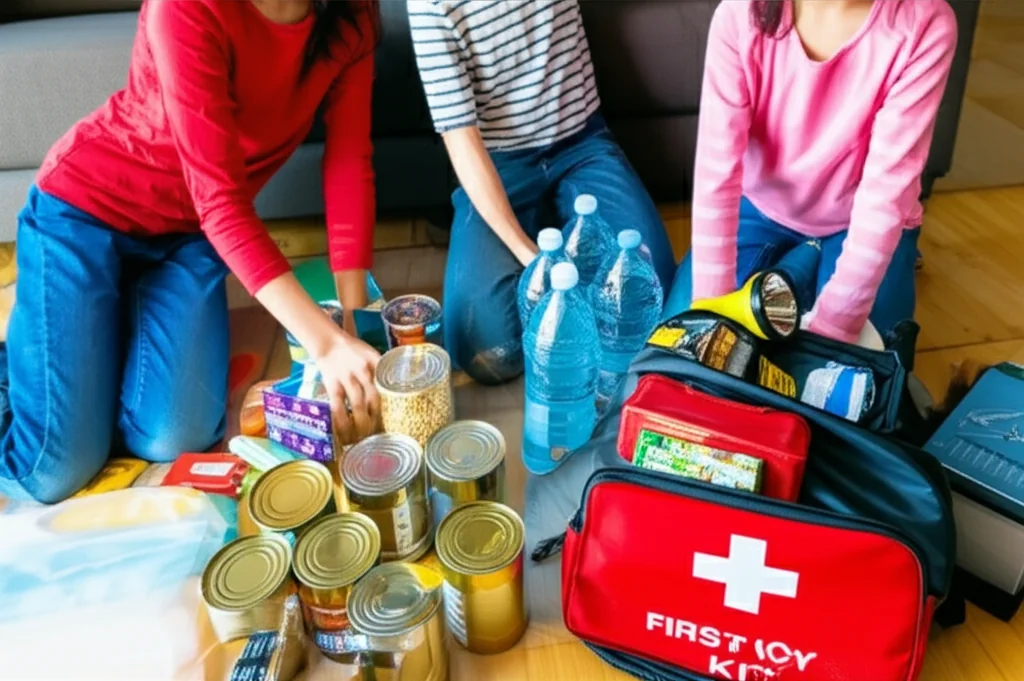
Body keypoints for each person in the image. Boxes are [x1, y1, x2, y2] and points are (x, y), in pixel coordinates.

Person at [0, 0, 383, 503]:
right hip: (85, 215)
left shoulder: (355, 11)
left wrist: (350, 322)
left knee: (169, 437)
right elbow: (222, 202)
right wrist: (326, 345)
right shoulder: (183, 7)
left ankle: (96, 338)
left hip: (189, 238)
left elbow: (348, 160)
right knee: (50, 470)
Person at [408, 0, 676, 385]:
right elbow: (461, 140)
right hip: (497, 162)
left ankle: (565, 231)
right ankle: (548, 234)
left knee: (655, 297)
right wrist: (531, 257)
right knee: (484, 351)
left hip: (582, 144)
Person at [664, 0, 957, 344]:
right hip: (760, 209)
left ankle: (812, 263)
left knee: (870, 369)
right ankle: (802, 263)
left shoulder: (925, 23)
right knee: (682, 337)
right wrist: (711, 309)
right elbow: (717, 172)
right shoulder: (740, 13)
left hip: (862, 222)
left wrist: (835, 328)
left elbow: (886, 194)